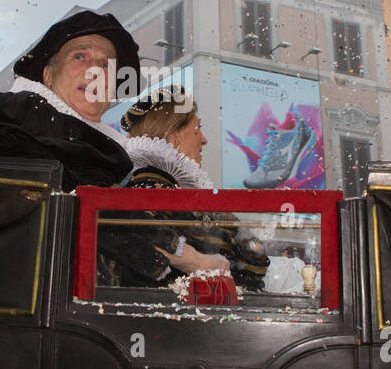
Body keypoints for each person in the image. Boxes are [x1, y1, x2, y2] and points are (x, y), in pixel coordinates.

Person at [0, 10, 140, 190]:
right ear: (48, 76)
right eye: (79, 57)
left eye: (105, 65)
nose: (95, 72)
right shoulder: (18, 110)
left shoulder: (124, 156)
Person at [106, 86, 270, 294]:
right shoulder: (153, 192)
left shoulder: (170, 192)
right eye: (197, 128)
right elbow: (238, 264)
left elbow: (254, 264)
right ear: (174, 138)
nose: (204, 140)